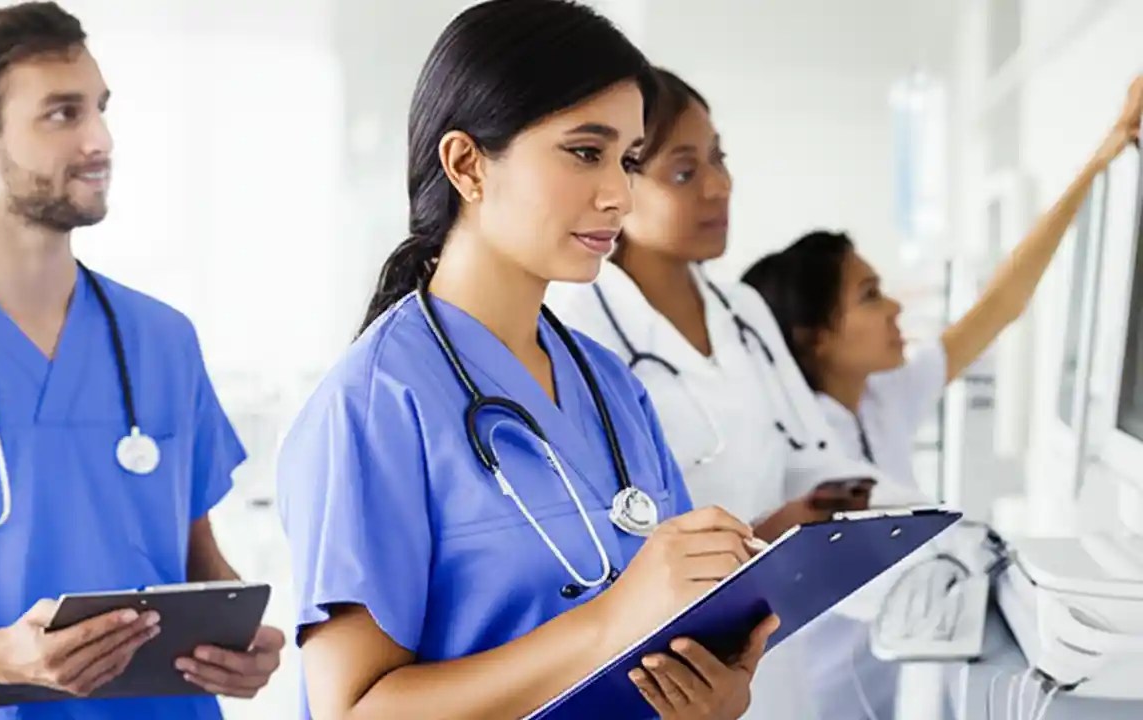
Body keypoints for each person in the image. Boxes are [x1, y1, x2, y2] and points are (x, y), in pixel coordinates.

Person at [276, 2, 777, 719]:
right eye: (585, 152)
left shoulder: (612, 389)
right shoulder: (376, 403)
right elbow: (353, 710)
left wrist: (713, 692)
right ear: (466, 165)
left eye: (629, 160)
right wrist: (607, 625)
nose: (618, 194)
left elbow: (672, 623)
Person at [0, 4, 284, 718]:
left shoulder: (161, 340)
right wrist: (2, 654)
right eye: (62, 115)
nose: (100, 140)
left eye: (100, 108)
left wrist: (239, 647)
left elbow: (196, 566)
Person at [741, 74, 1143, 720]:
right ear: (814, 338)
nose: (896, 305)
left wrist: (1102, 157)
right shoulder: (800, 450)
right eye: (870, 295)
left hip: (901, 685)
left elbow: (1003, 304)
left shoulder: (882, 395)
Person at [545, 67, 880, 720]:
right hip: (666, 664)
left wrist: (857, 511)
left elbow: (814, 462)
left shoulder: (743, 309)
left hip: (770, 636)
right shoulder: (576, 321)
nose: (719, 186)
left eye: (719, 160)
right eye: (684, 172)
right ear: (622, 182)